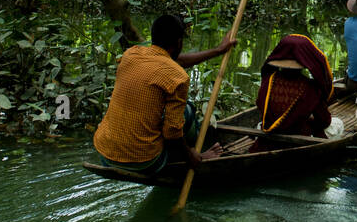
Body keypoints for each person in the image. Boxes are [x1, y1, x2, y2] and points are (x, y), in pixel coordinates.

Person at [92, 13, 234, 176]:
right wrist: (192, 157)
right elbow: (173, 133)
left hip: (105, 153)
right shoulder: (178, 76)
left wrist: (218, 50)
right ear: (179, 42)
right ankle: (189, 155)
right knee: (188, 111)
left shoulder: (131, 54)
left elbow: (173, 60)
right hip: (145, 162)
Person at [251, 34, 335, 151]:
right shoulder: (310, 87)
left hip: (269, 136)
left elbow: (260, 104)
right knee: (337, 124)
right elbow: (324, 121)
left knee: (260, 124)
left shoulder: (268, 81)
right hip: (297, 140)